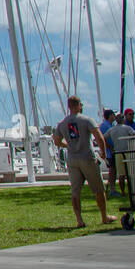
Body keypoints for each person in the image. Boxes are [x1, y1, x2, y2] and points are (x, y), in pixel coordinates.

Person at [53, 96, 113, 228]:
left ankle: (79, 220)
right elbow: (99, 136)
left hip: (72, 159)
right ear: (79, 105)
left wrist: (67, 145)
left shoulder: (62, 123)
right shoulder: (86, 120)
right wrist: (103, 154)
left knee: (75, 191)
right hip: (87, 156)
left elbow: (56, 141)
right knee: (98, 188)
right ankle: (104, 216)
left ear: (69, 106)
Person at [103, 115, 135, 198]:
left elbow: (103, 138)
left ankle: (123, 191)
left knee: (121, 174)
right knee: (131, 173)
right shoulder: (127, 128)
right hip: (128, 151)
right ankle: (133, 190)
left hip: (118, 152)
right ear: (123, 120)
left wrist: (109, 146)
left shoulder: (112, 129)